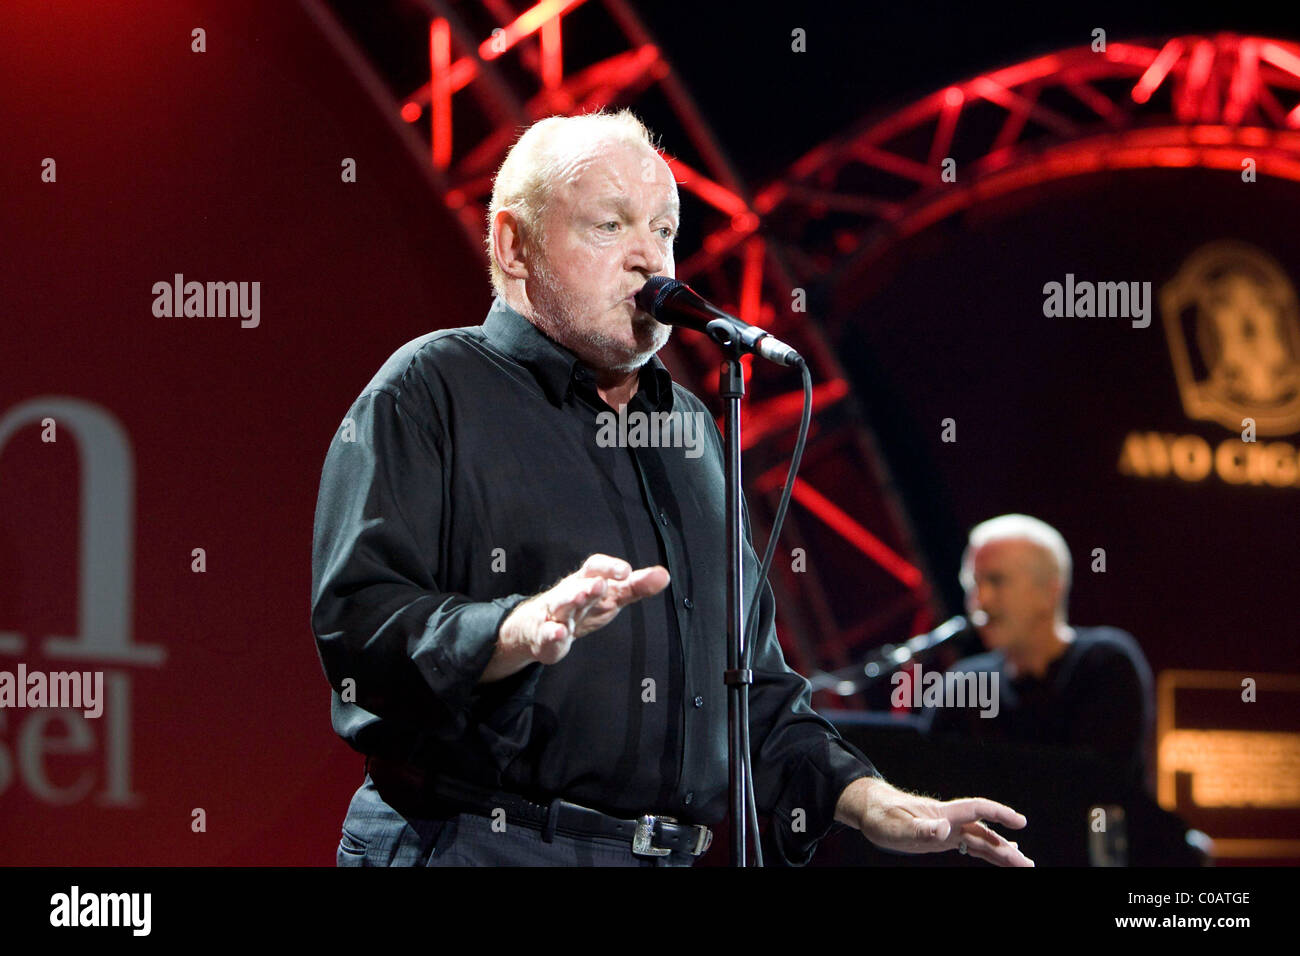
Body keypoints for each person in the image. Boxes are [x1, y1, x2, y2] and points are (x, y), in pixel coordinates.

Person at [310, 108, 1032, 867]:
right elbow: (361, 629)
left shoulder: (691, 429)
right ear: (513, 246)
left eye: (662, 229)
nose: (649, 260)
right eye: (610, 226)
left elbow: (752, 690)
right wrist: (514, 629)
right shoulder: (430, 390)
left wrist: (874, 802)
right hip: (472, 845)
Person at [924, 514, 1154, 796]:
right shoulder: (965, 681)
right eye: (972, 584)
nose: (979, 601)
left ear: (1049, 592)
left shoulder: (1105, 662)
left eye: (996, 581)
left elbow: (1101, 786)